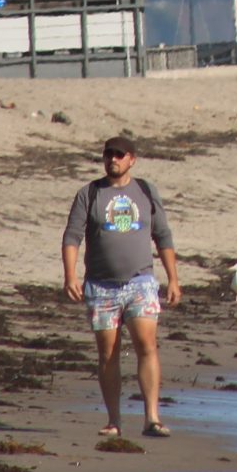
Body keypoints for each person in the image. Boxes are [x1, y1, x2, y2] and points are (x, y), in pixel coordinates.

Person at [60, 135, 184, 439]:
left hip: (140, 282)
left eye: (119, 154)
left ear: (132, 159)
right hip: (101, 286)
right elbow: (72, 236)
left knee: (147, 345)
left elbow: (163, 236)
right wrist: (70, 275)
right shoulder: (89, 193)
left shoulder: (146, 191)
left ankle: (152, 418)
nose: (113, 159)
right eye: (108, 154)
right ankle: (114, 420)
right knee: (108, 354)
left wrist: (173, 278)